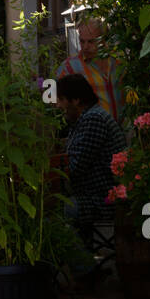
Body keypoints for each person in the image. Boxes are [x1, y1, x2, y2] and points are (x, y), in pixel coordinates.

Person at [55, 73, 126, 243]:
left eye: (61, 99)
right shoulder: (83, 119)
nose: (58, 105)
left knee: (55, 212)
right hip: (93, 194)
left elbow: (75, 168)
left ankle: (82, 260)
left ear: (76, 100)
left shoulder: (93, 119)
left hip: (103, 199)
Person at [57, 17, 124, 119]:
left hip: (124, 126)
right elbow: (55, 99)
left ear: (103, 40)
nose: (85, 47)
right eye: (82, 41)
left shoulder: (118, 60)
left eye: (91, 42)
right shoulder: (69, 67)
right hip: (92, 126)